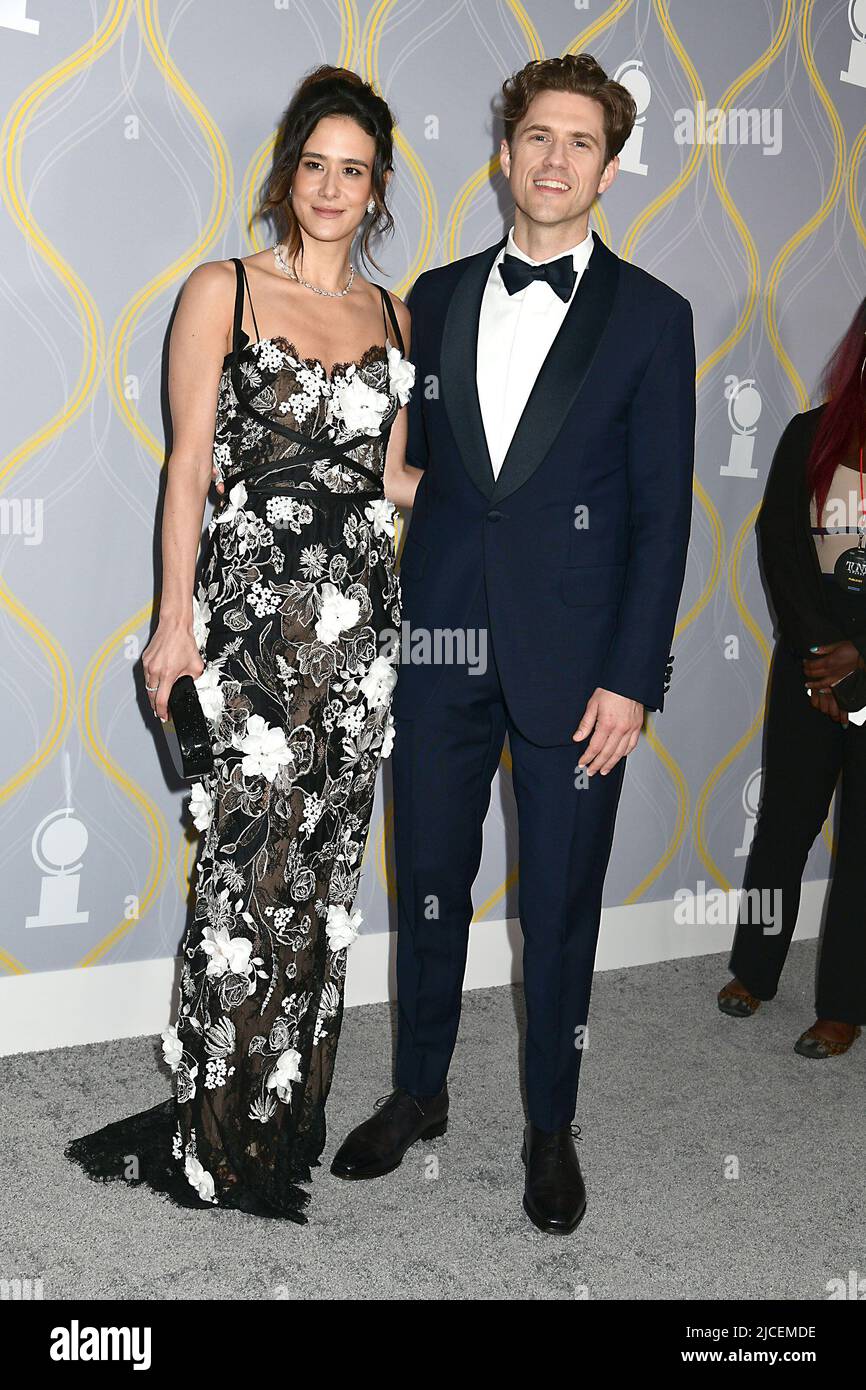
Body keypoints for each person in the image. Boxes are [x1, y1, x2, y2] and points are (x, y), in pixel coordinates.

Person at [330, 54, 696, 1234]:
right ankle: (419, 1092)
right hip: (436, 651)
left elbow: (660, 511)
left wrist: (631, 678)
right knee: (427, 881)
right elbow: (433, 471)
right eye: (535, 136)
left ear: (609, 164)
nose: (552, 160)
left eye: (579, 143)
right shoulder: (430, 297)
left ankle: (550, 1125)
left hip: (578, 675)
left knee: (561, 904)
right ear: (503, 151)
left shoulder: (650, 317)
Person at [65, 65, 421, 1223]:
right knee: (241, 875)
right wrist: (174, 621)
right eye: (313, 164)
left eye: (352, 169)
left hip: (359, 632)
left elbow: (392, 481)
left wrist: (513, 487)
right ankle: (217, 1128)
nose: (330, 186)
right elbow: (186, 465)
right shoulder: (224, 288)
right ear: (287, 174)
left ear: (376, 190)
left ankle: (282, 1111)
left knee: (321, 879)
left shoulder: (395, 314)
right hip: (250, 623)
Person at [719, 300, 866, 1059]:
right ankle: (755, 970)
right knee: (784, 823)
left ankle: (843, 1006)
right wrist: (822, 651)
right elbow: (779, 540)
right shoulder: (811, 433)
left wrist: (861, 659)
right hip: (811, 666)